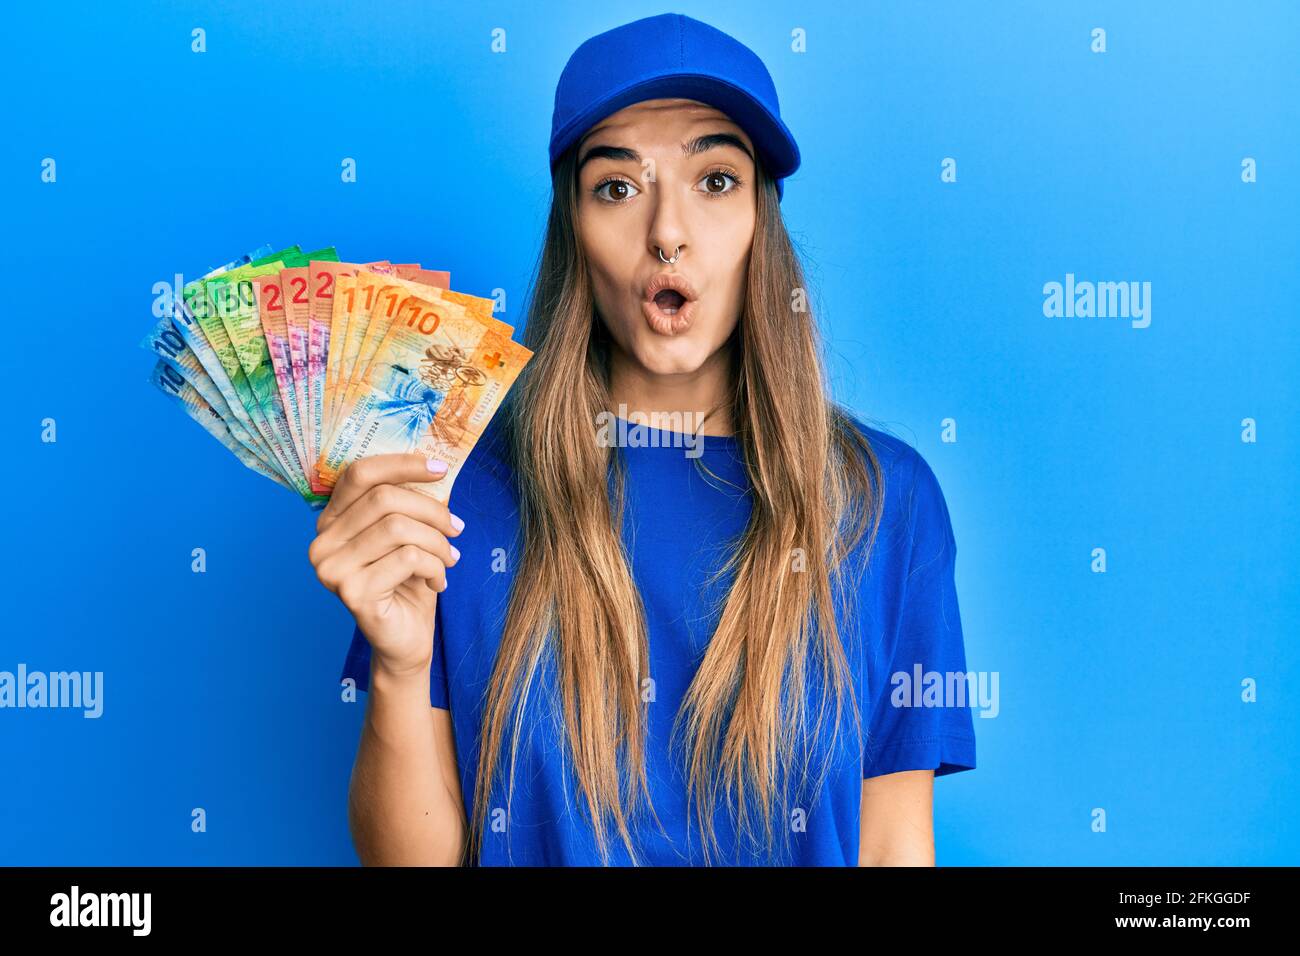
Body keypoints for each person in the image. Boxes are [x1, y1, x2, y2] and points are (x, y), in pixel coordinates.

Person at [309, 12, 976, 867]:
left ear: (762, 223)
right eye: (617, 187)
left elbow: (891, 848)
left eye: (716, 179)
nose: (668, 230)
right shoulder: (452, 490)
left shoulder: (888, 500)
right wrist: (400, 669)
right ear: (572, 232)